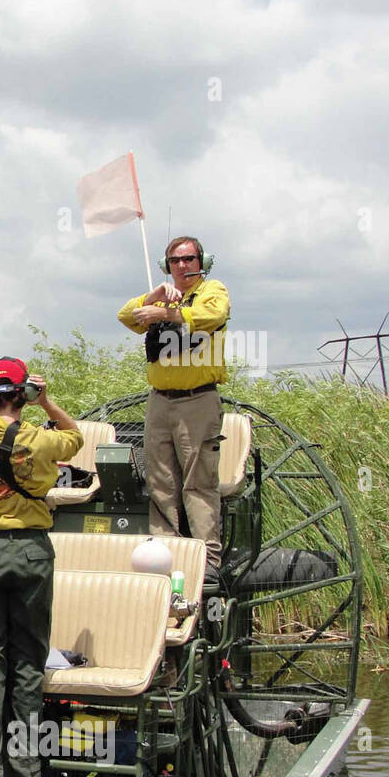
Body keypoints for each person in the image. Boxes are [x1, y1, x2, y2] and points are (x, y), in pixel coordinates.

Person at [0, 358, 83, 777]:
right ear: (24, 395)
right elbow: (75, 437)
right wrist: (45, 402)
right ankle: (27, 770)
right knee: (28, 662)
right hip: (31, 552)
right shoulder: (42, 441)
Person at [117, 235, 230, 575]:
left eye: (189, 259)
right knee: (161, 483)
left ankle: (207, 562)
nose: (182, 266)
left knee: (198, 482)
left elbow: (213, 315)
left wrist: (167, 313)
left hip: (198, 400)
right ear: (167, 266)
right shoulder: (162, 296)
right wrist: (154, 297)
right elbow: (126, 315)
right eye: (175, 261)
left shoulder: (212, 290)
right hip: (160, 401)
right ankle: (163, 557)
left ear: (201, 262)